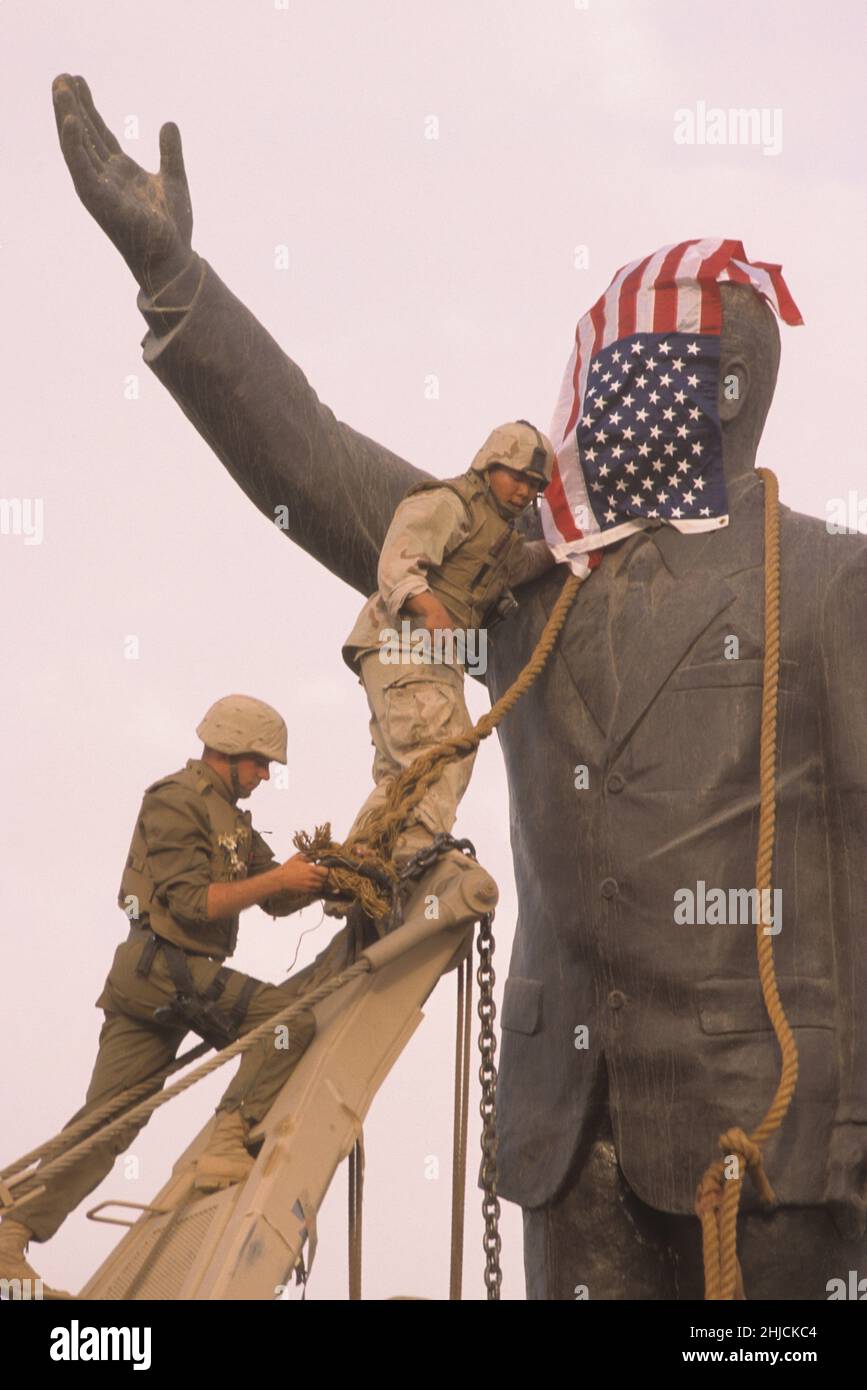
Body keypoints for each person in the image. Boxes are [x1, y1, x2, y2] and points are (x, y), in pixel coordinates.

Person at [50, 74, 867, 1300]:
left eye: (650, 373)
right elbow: (313, 464)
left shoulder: (828, 583)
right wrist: (176, 283)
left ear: (731, 392)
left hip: (776, 1156)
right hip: (564, 1150)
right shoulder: (517, 581)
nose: (606, 405)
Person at [0, 694, 328, 1299]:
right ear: (228, 751)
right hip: (164, 972)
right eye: (259, 763)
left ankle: (10, 1227)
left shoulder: (232, 818)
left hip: (161, 980)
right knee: (287, 1023)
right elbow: (190, 903)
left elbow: (274, 895)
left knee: (109, 1125)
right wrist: (279, 879)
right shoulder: (177, 800)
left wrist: (323, 879)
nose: (264, 776)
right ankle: (229, 1136)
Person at [336, 421, 556, 878]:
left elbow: (522, 565)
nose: (523, 492)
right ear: (488, 465)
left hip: (426, 656)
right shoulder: (450, 503)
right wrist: (430, 606)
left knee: (406, 770)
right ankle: (412, 859)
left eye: (534, 486)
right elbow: (397, 561)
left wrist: (566, 552)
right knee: (440, 750)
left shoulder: (497, 534)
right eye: (516, 476)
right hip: (404, 641)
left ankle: (363, 858)